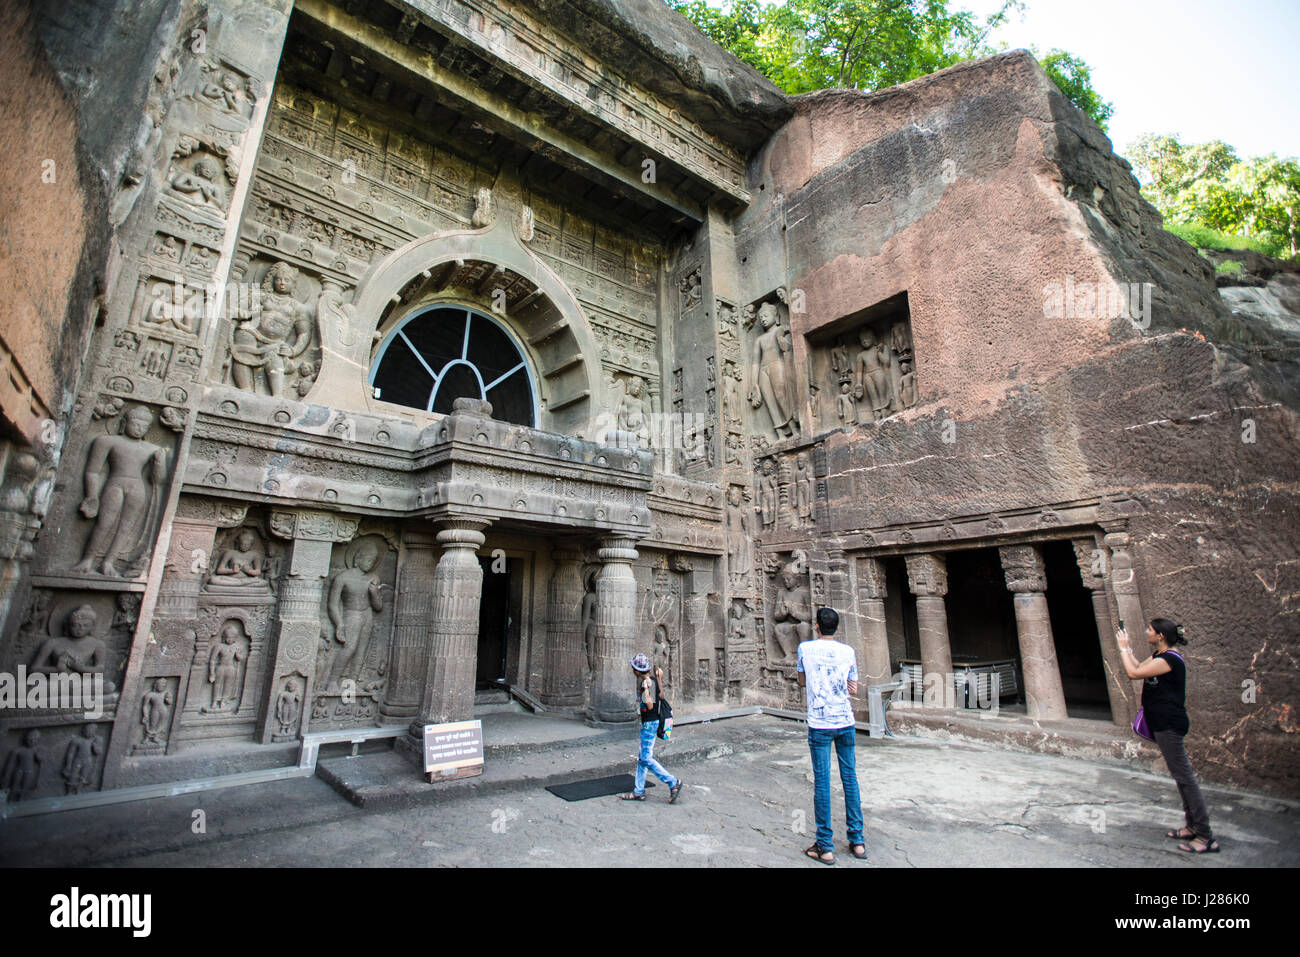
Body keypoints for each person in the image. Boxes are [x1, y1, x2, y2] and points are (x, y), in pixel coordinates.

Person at [1117, 618, 1218, 853]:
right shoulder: (1159, 656)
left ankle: (1205, 837)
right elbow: (1139, 668)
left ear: (1160, 635)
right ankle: (1191, 826)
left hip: (1170, 724)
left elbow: (1132, 673)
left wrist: (1122, 649)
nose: (1147, 632)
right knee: (1180, 777)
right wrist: (1127, 647)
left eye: (1150, 630)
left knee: (1185, 778)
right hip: (1162, 722)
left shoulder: (1170, 659)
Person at [797, 607, 865, 864]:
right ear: (836, 627)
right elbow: (854, 686)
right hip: (845, 720)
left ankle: (824, 846)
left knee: (822, 782)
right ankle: (857, 841)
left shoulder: (805, 649)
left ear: (816, 625)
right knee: (850, 778)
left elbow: (803, 682)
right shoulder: (848, 651)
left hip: (820, 722)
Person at [618, 653, 682, 804]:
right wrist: (659, 678)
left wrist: (645, 690)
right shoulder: (653, 679)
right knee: (642, 758)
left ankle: (673, 782)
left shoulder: (646, 683)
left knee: (646, 758)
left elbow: (650, 705)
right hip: (652, 722)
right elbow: (661, 695)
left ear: (637, 670)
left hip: (649, 723)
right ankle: (638, 791)